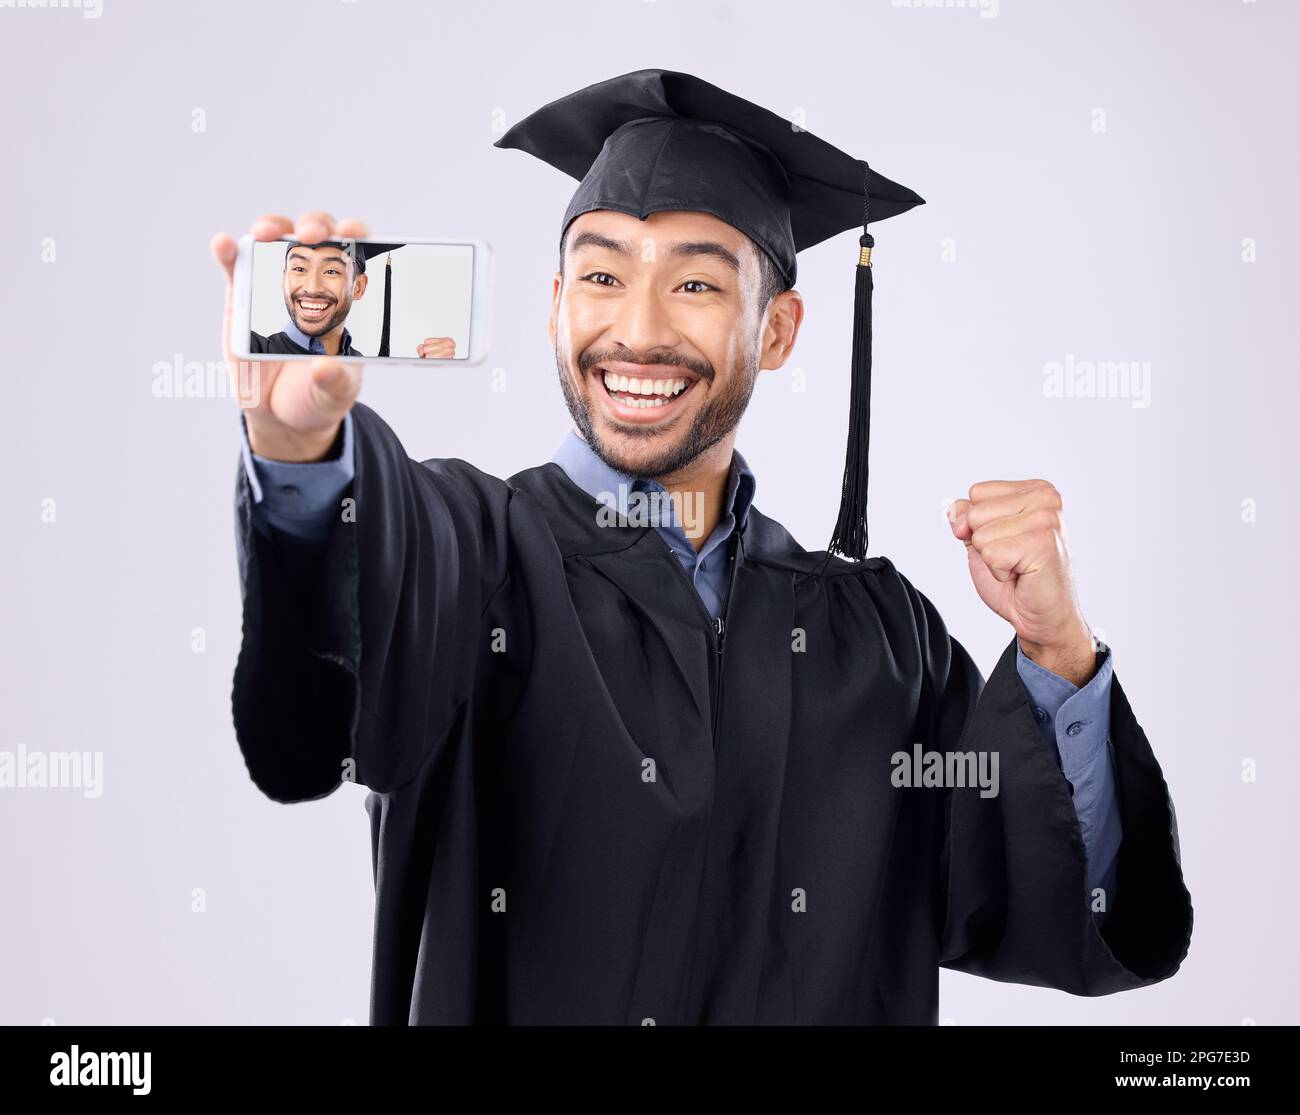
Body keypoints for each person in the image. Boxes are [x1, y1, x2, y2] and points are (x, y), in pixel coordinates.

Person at [211, 69, 1191, 1025]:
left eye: (694, 283)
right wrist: (301, 457)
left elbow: (1066, 914)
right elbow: (304, 730)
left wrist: (1057, 651)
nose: (636, 329)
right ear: (556, 305)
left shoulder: (879, 640)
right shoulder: (469, 552)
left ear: (777, 331)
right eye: (601, 275)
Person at [249, 240, 456, 359]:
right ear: (283, 278)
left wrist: (433, 378)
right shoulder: (247, 350)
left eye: (331, 271)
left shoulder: (372, 373)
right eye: (300, 269)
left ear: (358, 287)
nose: (312, 288)